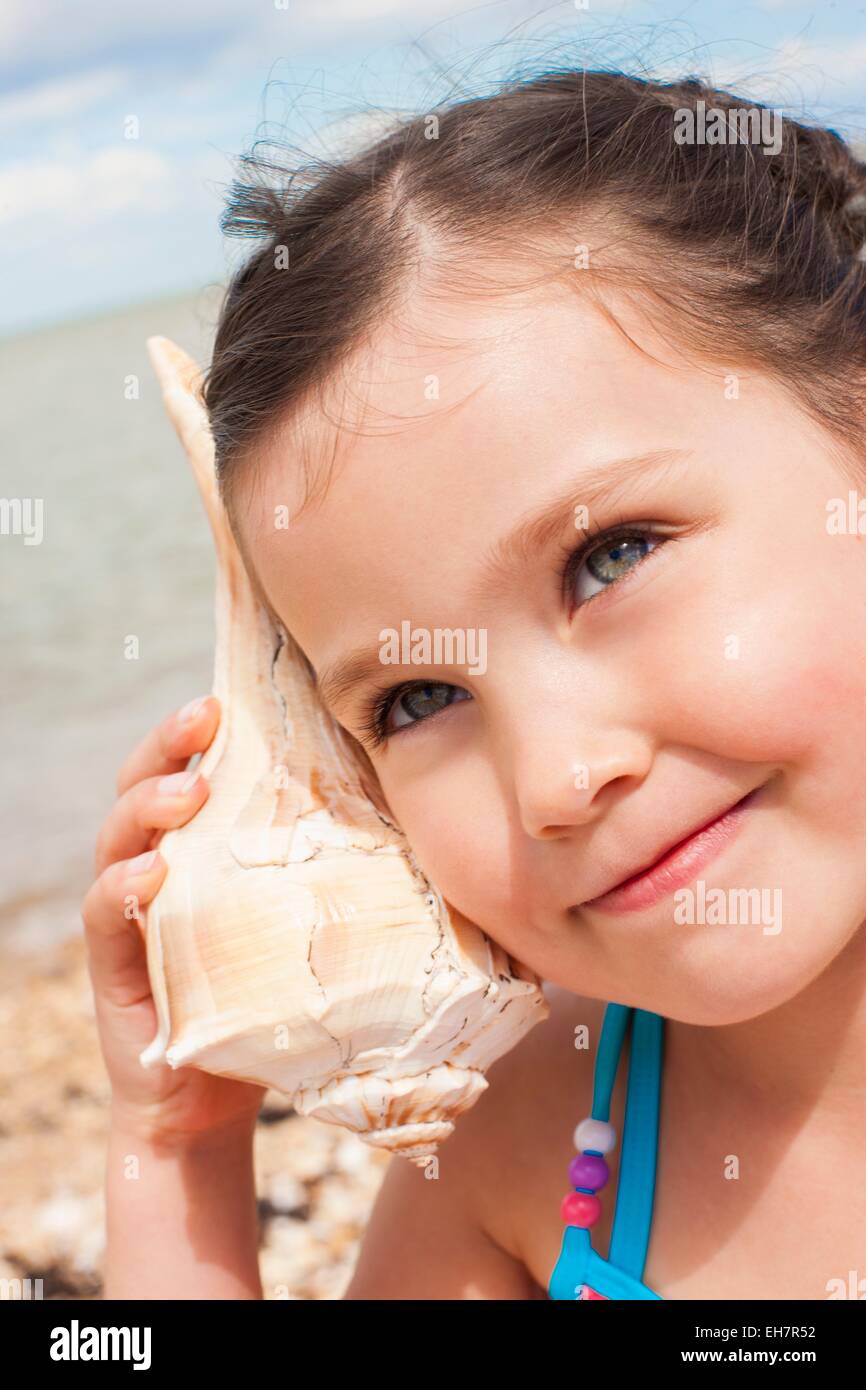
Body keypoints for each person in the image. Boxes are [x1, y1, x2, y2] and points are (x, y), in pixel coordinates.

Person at [81, 68, 866, 1299]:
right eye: (414, 701)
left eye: (609, 556)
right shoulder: (529, 1139)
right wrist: (173, 1145)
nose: (556, 776)